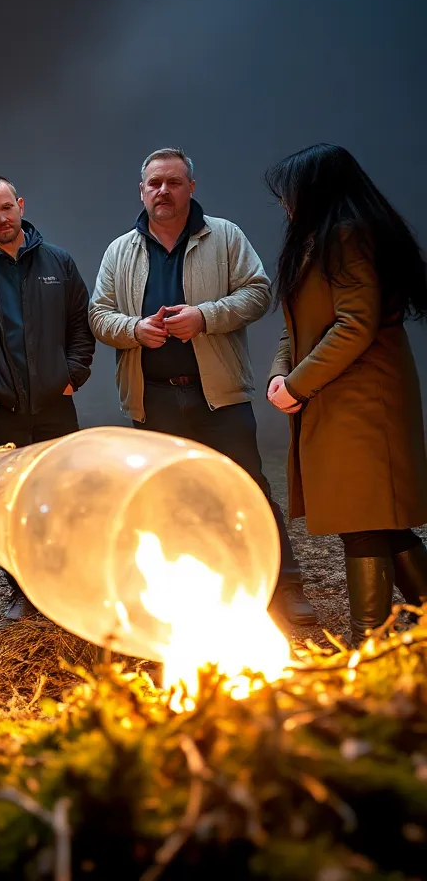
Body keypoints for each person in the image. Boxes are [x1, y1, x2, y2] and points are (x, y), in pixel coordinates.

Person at [89, 146, 315, 627]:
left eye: (173, 182)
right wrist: (134, 330)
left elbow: (258, 292)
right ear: (142, 191)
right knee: (166, 499)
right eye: (155, 183)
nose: (163, 191)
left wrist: (205, 317)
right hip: (154, 401)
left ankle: (284, 587)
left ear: (192, 188)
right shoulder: (119, 251)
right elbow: (98, 315)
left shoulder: (226, 236)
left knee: (249, 489)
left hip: (220, 396)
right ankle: (188, 596)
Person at [265, 144, 427, 643]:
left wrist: (297, 384)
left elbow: (355, 324)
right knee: (377, 522)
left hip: (365, 400)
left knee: (365, 523)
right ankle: (383, 639)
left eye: (290, 193)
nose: (285, 204)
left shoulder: (348, 234)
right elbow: (296, 326)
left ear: (317, 189)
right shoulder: (319, 237)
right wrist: (280, 374)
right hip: (338, 396)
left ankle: (366, 646)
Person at [0, 175, 94, 619]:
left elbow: (81, 327)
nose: (1, 218)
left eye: (6, 207)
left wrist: (73, 375)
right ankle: (24, 591)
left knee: (63, 497)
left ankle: (64, 587)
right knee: (8, 503)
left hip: (55, 405)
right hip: (3, 412)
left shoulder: (58, 263)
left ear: (21, 206)